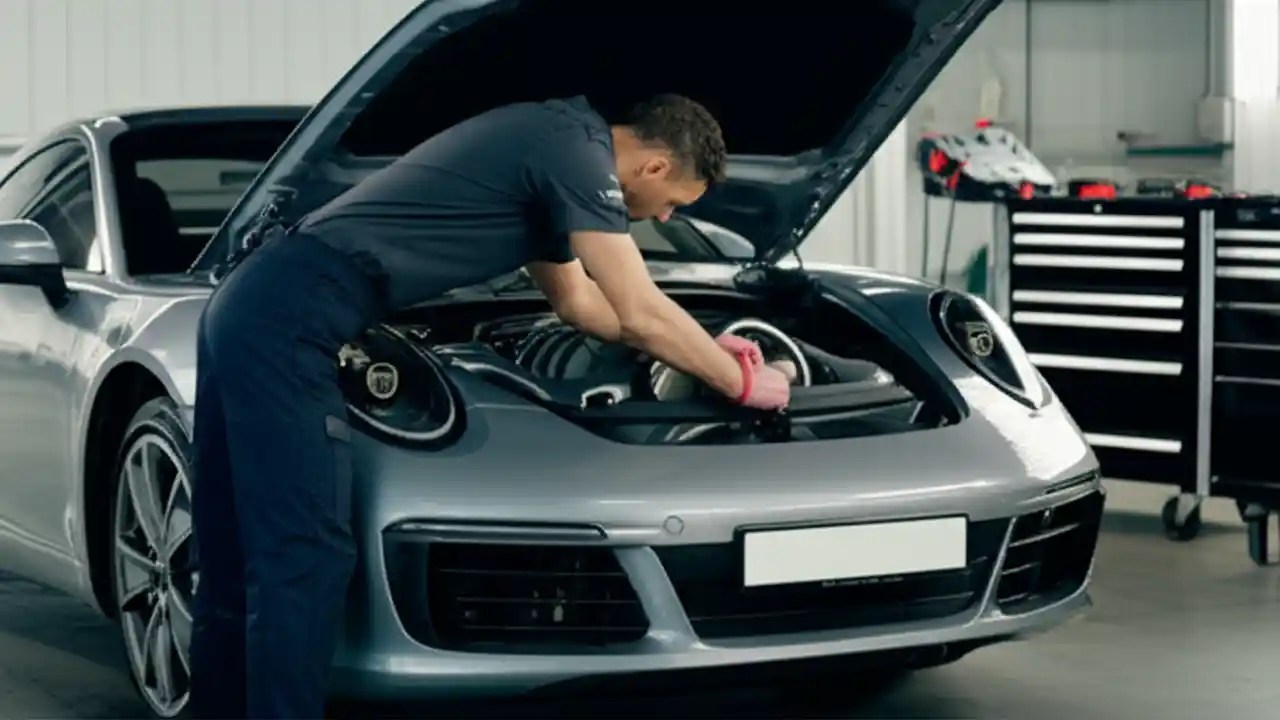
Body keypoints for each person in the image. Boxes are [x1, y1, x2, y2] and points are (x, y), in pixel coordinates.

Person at [186, 93, 794, 719]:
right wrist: (742, 383)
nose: (664, 217)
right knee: (304, 559)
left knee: (233, 560)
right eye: (672, 204)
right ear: (655, 167)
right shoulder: (577, 154)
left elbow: (582, 306)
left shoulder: (556, 145)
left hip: (254, 300)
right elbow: (640, 310)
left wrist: (704, 349)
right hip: (293, 314)